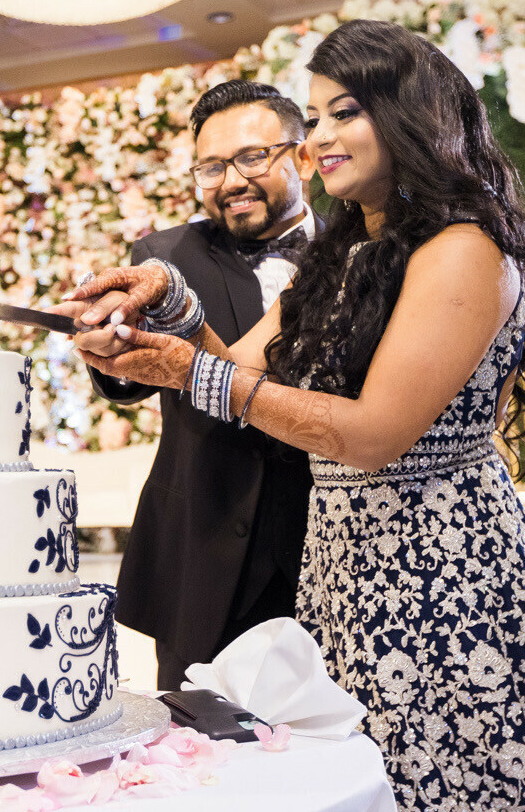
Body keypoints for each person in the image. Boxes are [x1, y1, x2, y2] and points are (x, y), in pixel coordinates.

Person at [64, 20, 525, 810]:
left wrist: (188, 369)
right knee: (347, 785)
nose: (323, 137)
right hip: (343, 571)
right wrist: (168, 305)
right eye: (316, 117)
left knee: (437, 782)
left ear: (410, 114)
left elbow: (376, 434)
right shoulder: (338, 256)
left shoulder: (462, 249)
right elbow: (235, 361)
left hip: (437, 566)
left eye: (345, 112)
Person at [72, 80, 321, 691]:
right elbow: (132, 383)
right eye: (211, 167)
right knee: (202, 751)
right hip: (204, 547)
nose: (231, 181)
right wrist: (108, 357)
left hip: (330, 540)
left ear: (303, 155)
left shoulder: (360, 241)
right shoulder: (163, 257)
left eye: (252, 157)